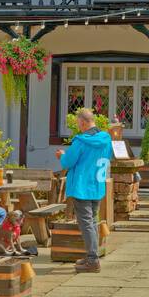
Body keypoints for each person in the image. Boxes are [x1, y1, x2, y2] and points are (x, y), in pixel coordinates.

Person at [57, 108, 113, 273]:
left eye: (78, 123)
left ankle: (92, 259)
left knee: (86, 223)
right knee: (93, 221)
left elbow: (68, 162)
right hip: (97, 184)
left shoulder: (80, 141)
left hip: (81, 186)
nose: (78, 127)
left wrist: (61, 155)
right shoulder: (107, 139)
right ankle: (91, 255)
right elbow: (108, 157)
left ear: (83, 122)